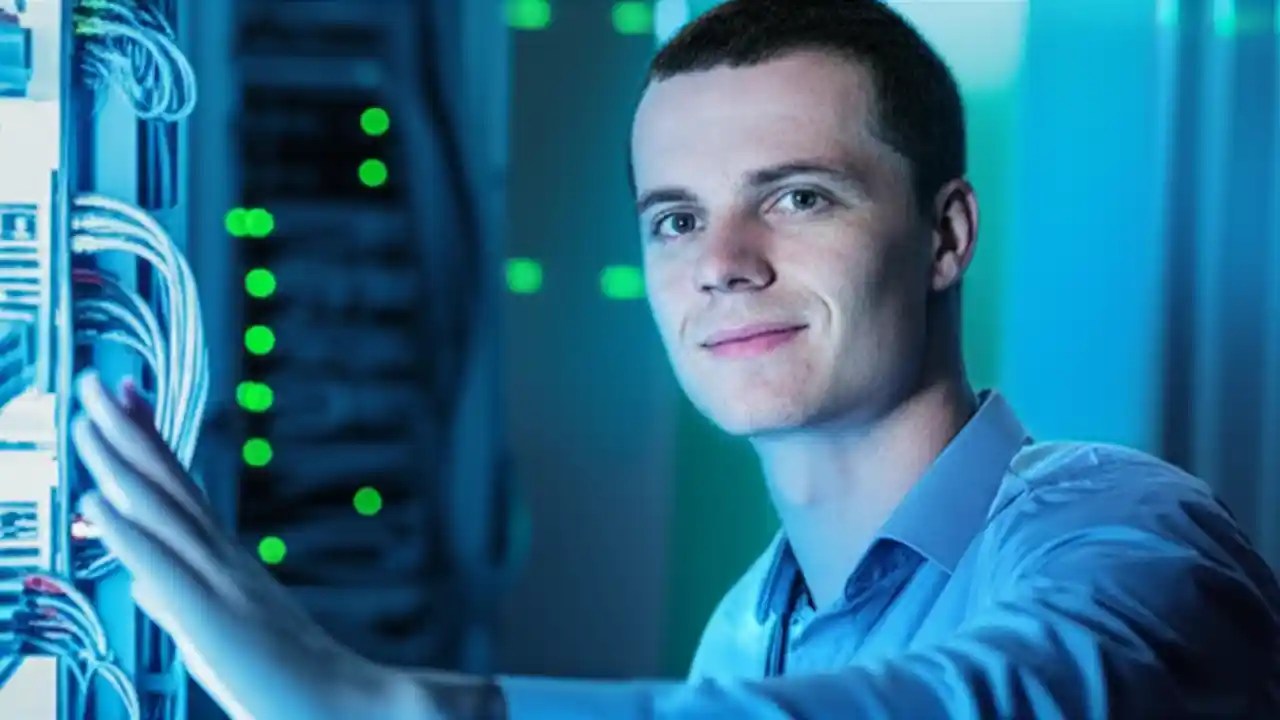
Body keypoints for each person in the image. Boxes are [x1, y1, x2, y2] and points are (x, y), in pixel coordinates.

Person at [71, 0, 1280, 717]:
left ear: (944, 236)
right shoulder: (745, 640)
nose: (721, 264)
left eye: (796, 197)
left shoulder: (1126, 537)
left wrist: (397, 707)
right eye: (674, 218)